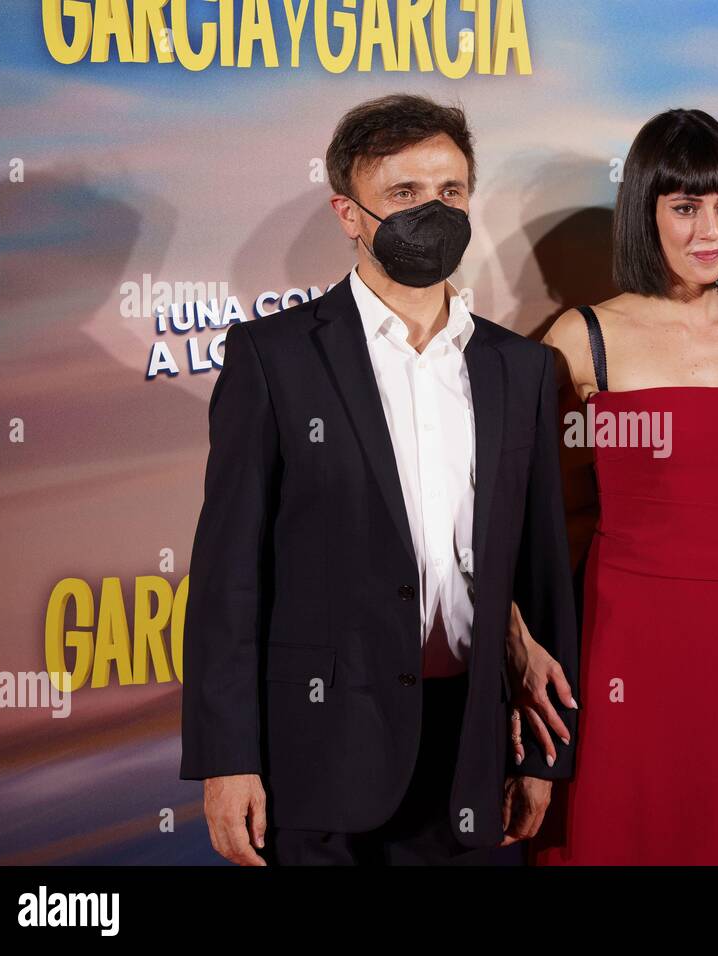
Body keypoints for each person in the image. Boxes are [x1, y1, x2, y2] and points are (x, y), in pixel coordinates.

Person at [179, 93, 578, 865]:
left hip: (471, 752)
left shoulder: (519, 368)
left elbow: (540, 567)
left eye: (451, 192)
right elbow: (229, 576)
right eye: (404, 194)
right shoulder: (275, 358)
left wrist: (542, 756)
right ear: (349, 213)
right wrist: (228, 758)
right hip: (318, 757)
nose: (434, 212)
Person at [523, 108, 718, 865]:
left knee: (717, 833)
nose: (712, 231)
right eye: (685, 208)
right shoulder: (584, 339)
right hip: (625, 640)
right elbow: (522, 512)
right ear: (645, 213)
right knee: (618, 833)